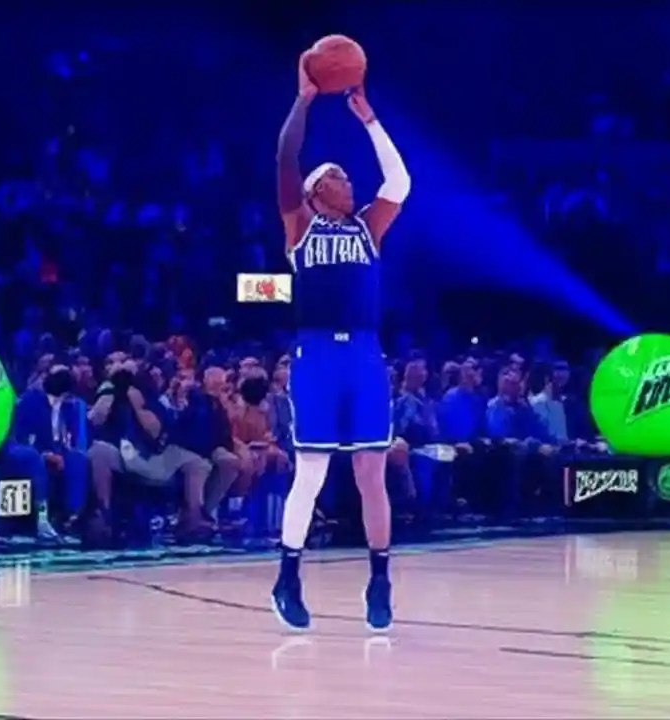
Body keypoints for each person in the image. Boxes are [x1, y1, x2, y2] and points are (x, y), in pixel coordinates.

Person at [270, 51, 411, 632]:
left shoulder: (367, 226)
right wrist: (305, 98)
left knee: (371, 474)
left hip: (364, 354)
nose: (349, 181)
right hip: (316, 354)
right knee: (312, 472)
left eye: (348, 177)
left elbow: (400, 181)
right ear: (315, 191)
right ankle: (288, 576)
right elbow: (284, 156)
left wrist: (370, 120)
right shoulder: (300, 227)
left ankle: (379, 580)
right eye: (337, 176)